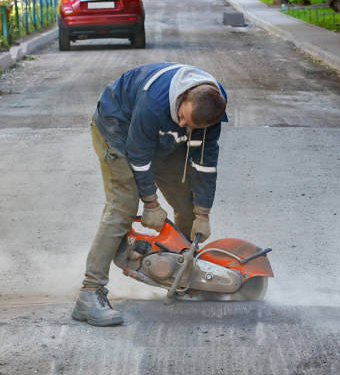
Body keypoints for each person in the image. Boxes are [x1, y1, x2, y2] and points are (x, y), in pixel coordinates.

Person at [71, 62, 228, 327]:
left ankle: (178, 273)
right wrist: (151, 203)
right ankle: (89, 293)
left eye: (187, 124)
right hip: (117, 129)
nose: (181, 123)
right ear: (183, 97)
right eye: (181, 117)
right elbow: (139, 154)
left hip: (161, 137)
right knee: (123, 206)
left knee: (187, 204)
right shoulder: (153, 100)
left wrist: (203, 212)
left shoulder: (212, 106)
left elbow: (204, 162)